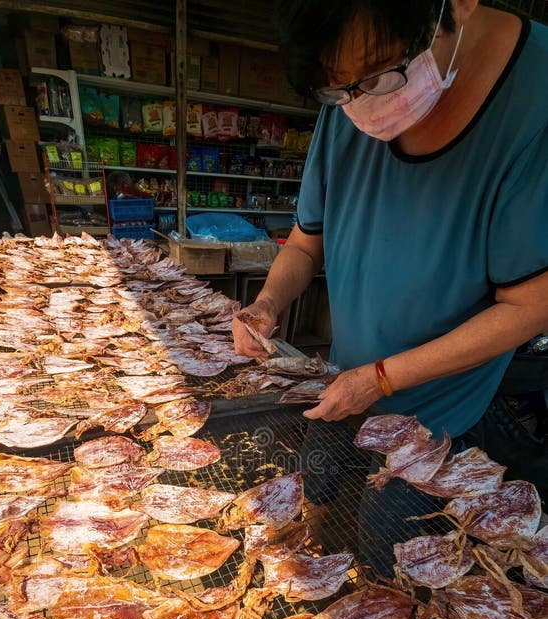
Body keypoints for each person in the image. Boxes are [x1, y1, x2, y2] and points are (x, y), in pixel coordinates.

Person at [231, 0, 548, 571]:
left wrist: (383, 378)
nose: (362, 104)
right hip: (341, 381)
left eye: (378, 74)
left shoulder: (535, 103)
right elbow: (304, 243)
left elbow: (531, 304)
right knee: (317, 493)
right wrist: (267, 303)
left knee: (391, 552)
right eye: (337, 88)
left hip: (444, 415)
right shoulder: (347, 100)